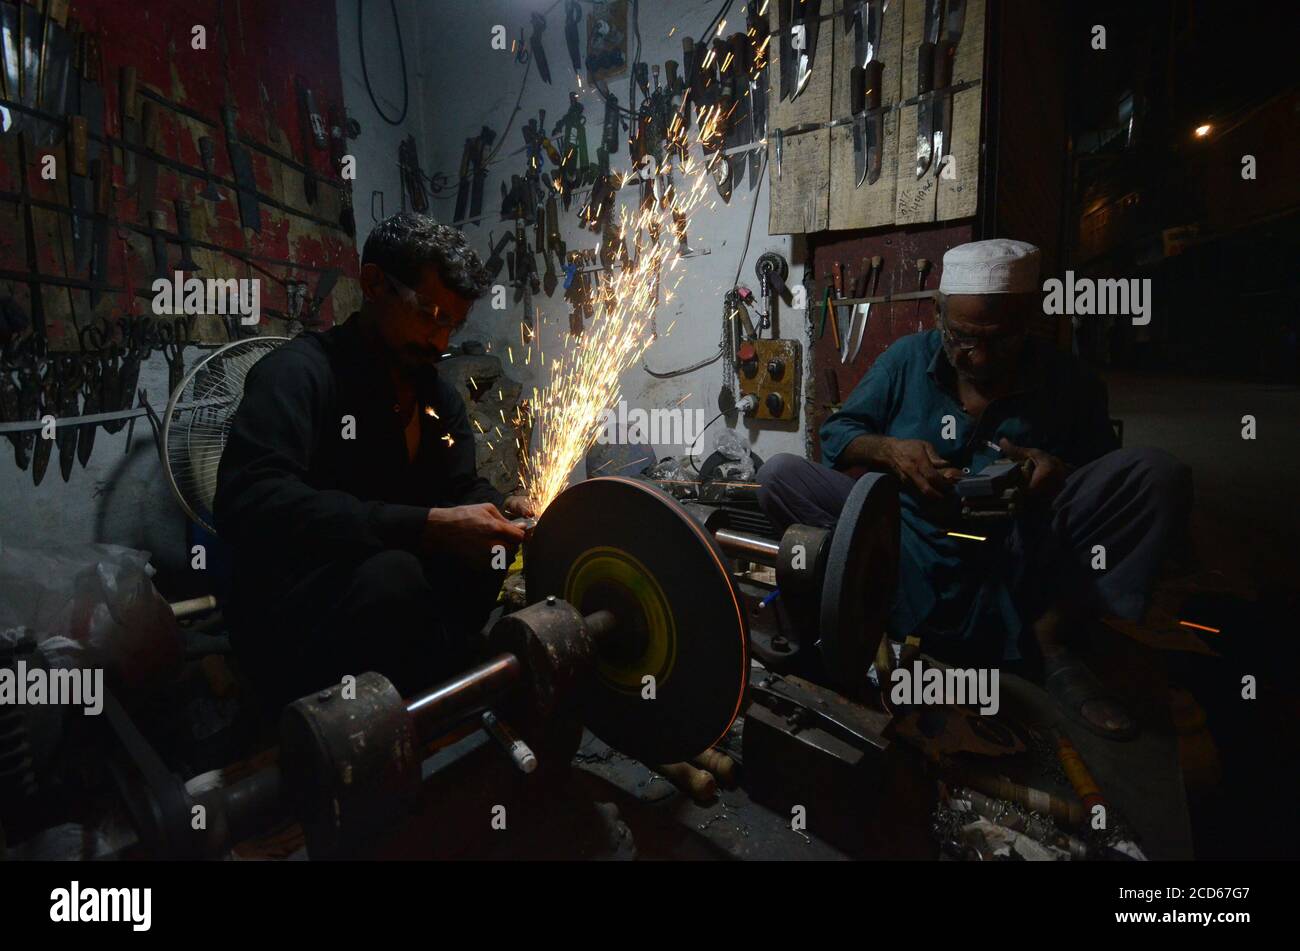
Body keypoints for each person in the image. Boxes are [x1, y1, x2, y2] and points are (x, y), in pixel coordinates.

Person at [757, 239, 1191, 739]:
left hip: (1021, 549)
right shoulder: (905, 360)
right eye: (962, 337)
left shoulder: (1069, 380)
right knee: (779, 477)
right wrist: (890, 451)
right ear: (939, 314)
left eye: (1000, 340)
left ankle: (1052, 639)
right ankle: (869, 608)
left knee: (1158, 477)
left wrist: (1056, 472)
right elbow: (837, 435)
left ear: (1029, 319)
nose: (979, 357)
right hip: (909, 541)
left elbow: (1100, 475)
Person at [214, 213, 536, 708]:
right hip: (295, 606)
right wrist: (423, 526)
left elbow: (458, 488)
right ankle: (362, 710)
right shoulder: (296, 375)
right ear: (374, 284)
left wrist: (501, 507)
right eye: (428, 312)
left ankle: (435, 677)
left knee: (485, 555)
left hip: (391, 597)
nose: (440, 340)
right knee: (395, 576)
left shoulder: (435, 394)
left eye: (452, 322)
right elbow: (252, 503)